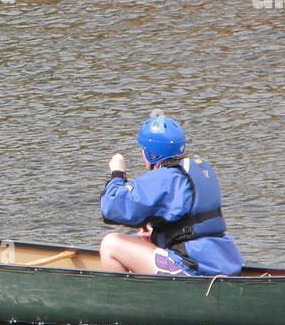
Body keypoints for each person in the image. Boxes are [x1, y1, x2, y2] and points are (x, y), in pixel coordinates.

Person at [99, 116, 243, 277]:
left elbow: (111, 206)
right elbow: (188, 220)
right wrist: (157, 235)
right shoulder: (200, 167)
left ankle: (127, 301)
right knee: (149, 239)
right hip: (223, 261)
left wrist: (117, 172)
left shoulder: (166, 177)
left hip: (194, 267)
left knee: (110, 244)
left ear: (149, 153)